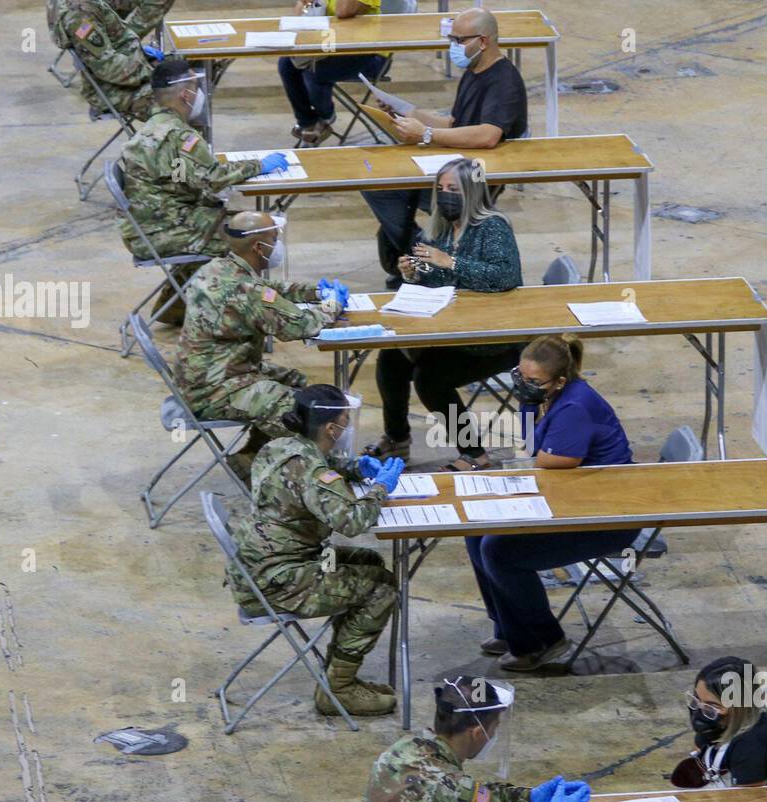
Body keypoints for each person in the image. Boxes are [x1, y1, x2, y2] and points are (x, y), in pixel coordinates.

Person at [228, 385, 406, 717]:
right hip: (279, 582)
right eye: (344, 420)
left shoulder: (279, 446)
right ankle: (339, 690)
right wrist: (380, 487)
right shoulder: (315, 473)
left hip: (257, 569)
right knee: (380, 589)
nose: (346, 427)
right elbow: (354, 521)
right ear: (330, 429)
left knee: (369, 564)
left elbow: (319, 466)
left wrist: (354, 469)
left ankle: (336, 675)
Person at [466, 334, 635, 671]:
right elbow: (530, 446)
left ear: (559, 381)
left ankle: (542, 640)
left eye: (533, 382)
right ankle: (508, 627)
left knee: (500, 552)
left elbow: (546, 460)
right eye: (520, 377)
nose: (524, 385)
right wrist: (530, 401)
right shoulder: (548, 397)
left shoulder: (574, 407)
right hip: (570, 497)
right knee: (475, 530)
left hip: (608, 516)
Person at [365, 158, 522, 471]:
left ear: (472, 192)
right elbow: (433, 273)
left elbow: (505, 276)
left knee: (430, 378)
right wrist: (412, 271)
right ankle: (398, 438)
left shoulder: (492, 227)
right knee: (391, 358)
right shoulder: (441, 229)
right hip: (450, 329)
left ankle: (475, 453)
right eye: (441, 188)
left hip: (493, 337)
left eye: (454, 189)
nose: (446, 195)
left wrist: (450, 262)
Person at [173, 211, 351, 480]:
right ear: (259, 247)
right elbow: (299, 326)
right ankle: (328, 478)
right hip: (213, 389)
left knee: (296, 381)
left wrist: (313, 292)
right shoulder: (245, 291)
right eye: (274, 238)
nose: (278, 243)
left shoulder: (218, 268)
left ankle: (252, 456)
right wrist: (331, 305)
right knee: (299, 410)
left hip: (210, 373)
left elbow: (269, 289)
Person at [362, 7, 528, 287]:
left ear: (483, 41)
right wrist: (408, 113)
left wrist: (426, 134)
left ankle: (424, 259)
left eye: (460, 41)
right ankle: (419, 256)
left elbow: (488, 135)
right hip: (454, 163)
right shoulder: (475, 70)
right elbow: (453, 123)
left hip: (473, 179)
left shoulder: (504, 82)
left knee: (385, 190)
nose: (454, 47)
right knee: (376, 182)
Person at [120, 58, 290, 323]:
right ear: (186, 94)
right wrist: (259, 166)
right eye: (197, 87)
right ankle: (252, 320)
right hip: (165, 230)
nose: (200, 94)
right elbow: (212, 179)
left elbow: (186, 177)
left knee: (230, 220)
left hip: (150, 224)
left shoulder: (156, 127)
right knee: (251, 237)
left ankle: (176, 309)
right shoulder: (179, 136)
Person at [357, 676, 592, 802]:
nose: (494, 735)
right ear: (477, 733)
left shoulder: (400, 750)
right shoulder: (456, 789)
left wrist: (525, 797)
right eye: (494, 728)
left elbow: (458, 794)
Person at [671, 656, 767, 789]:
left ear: (737, 708)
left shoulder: (749, 747)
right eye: (696, 700)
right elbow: (699, 758)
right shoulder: (713, 727)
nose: (698, 713)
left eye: (711, 707)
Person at [278, 0, 387, 145]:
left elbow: (343, 11)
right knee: (286, 63)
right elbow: (299, 15)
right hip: (330, 47)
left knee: (315, 70)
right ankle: (308, 122)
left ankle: (326, 116)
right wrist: (305, 5)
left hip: (368, 54)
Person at [47, 0, 166, 122]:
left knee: (181, 72)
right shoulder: (80, 13)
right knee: (180, 102)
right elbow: (107, 67)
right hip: (113, 89)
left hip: (129, 68)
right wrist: (151, 71)